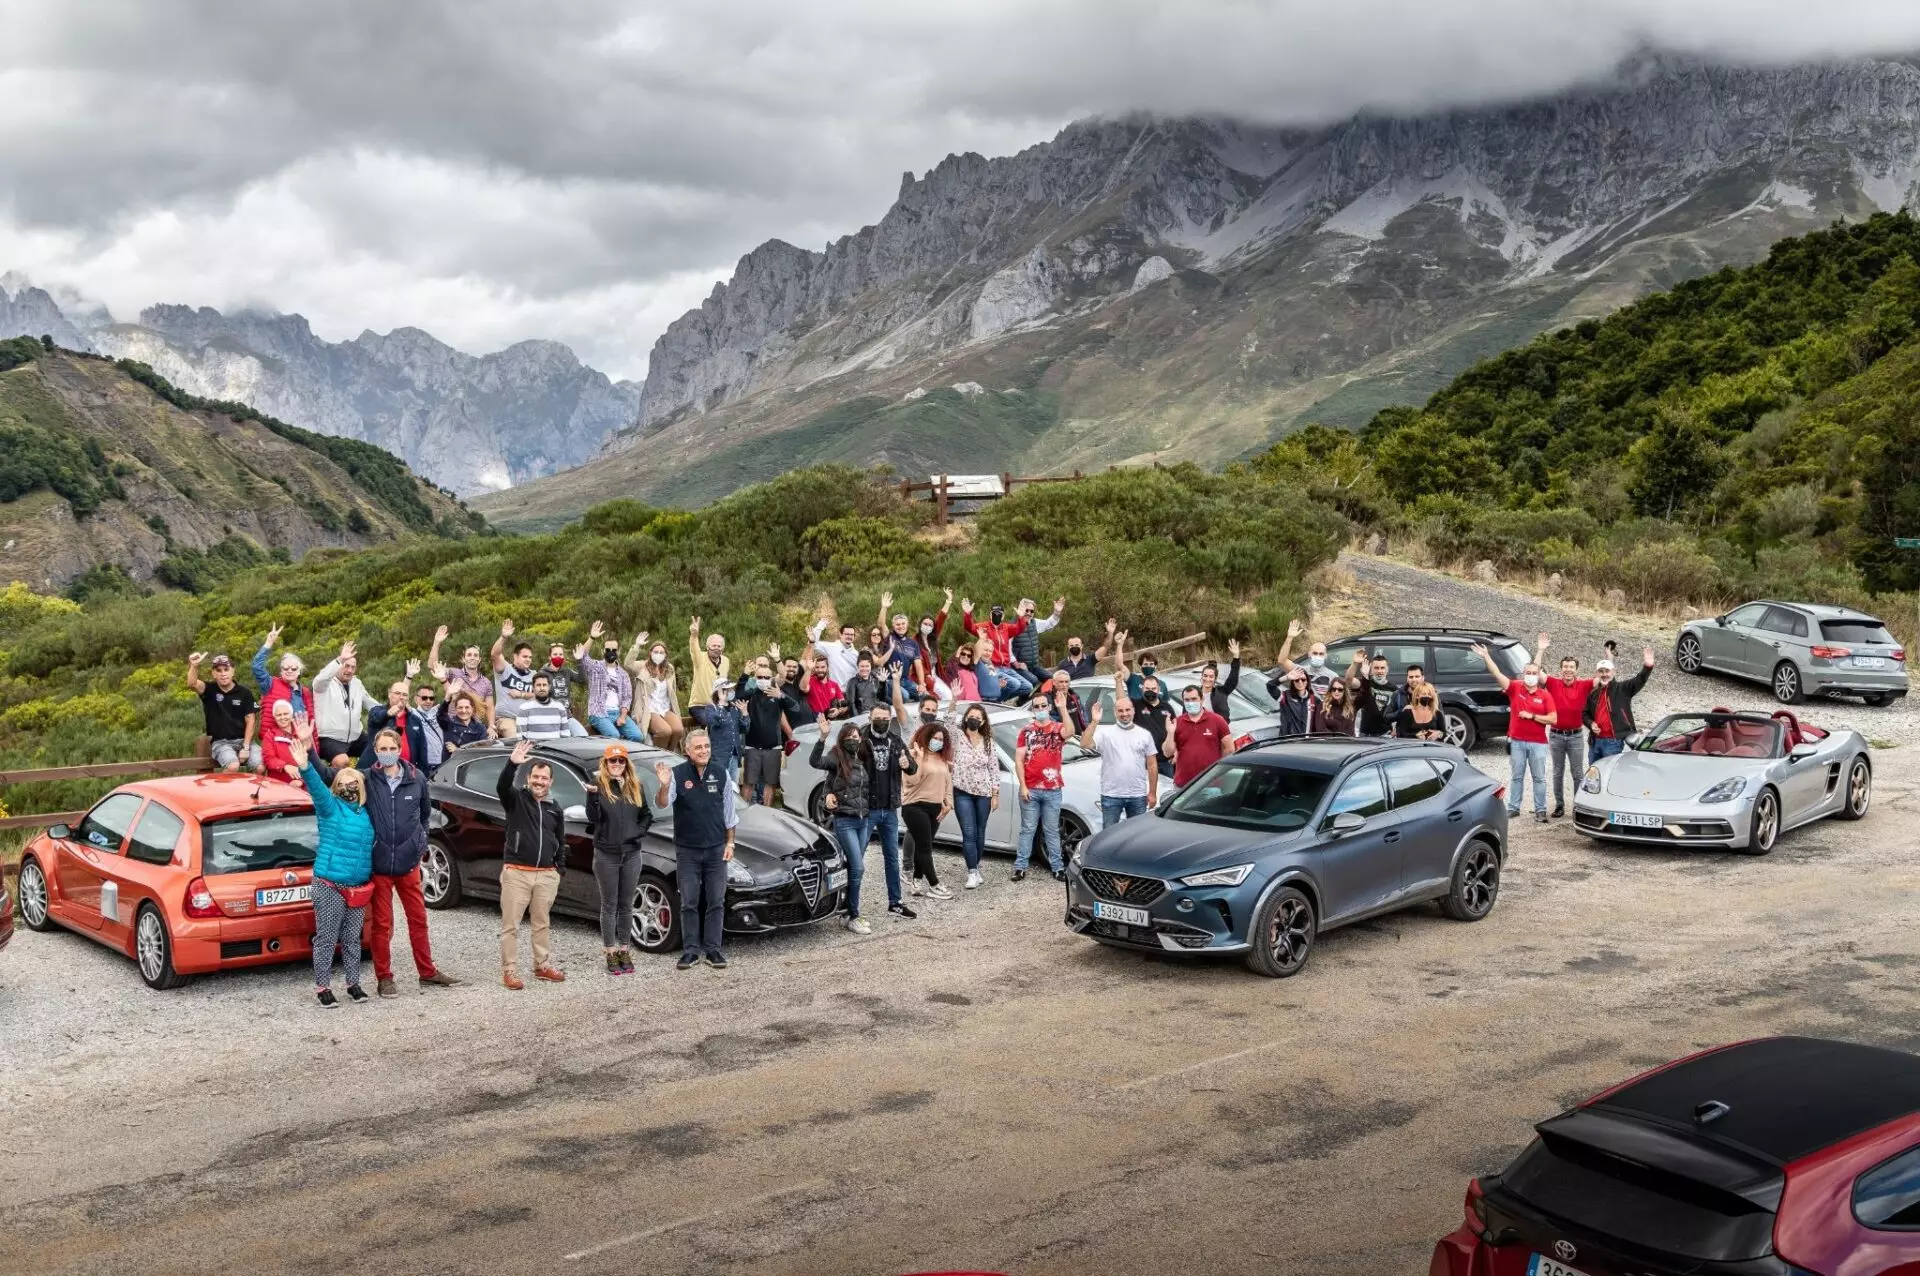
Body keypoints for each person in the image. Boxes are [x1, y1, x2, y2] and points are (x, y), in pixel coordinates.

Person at [349, 726, 456, 997]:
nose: (387, 754)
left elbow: (424, 815)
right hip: (380, 865)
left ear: (400, 749)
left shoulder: (416, 777)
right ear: (375, 751)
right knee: (382, 925)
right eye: (382, 749)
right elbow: (335, 782)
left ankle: (427, 972)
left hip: (408, 864)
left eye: (392, 748)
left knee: (418, 920)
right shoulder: (367, 778)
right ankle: (384, 977)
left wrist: (419, 844)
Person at [289, 721, 373, 1009]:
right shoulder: (330, 807)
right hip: (329, 884)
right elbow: (316, 788)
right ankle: (323, 986)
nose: (349, 788)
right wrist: (305, 765)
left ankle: (353, 983)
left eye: (354, 784)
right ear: (336, 788)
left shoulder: (365, 812)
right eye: (343, 785)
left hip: (358, 885)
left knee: (352, 939)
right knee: (327, 937)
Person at [654, 729, 737, 969]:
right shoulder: (677, 774)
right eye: (698, 747)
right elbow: (662, 803)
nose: (704, 751)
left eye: (707, 746)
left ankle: (713, 950)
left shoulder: (721, 774)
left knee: (716, 901)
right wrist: (663, 785)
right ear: (688, 751)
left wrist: (730, 842)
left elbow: (729, 816)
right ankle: (690, 951)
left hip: (716, 851)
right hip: (687, 851)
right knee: (689, 901)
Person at [494, 738, 568, 989]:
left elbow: (560, 839)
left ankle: (542, 965)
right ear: (529, 778)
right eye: (535, 777)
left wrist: (559, 868)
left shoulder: (554, 807)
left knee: (541, 923)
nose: (539, 781)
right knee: (511, 926)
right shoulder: (516, 799)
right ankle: (510, 971)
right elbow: (503, 786)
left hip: (546, 875)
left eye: (544, 778)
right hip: (517, 872)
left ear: (550, 781)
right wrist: (511, 764)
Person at [1472, 639, 1555, 823]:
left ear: (1538, 675)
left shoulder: (1545, 695)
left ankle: (1540, 810)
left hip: (1538, 743)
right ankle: (1513, 807)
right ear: (1523, 674)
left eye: (1534, 673)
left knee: (1539, 778)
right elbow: (1496, 673)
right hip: (1517, 741)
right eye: (1528, 673)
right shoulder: (1515, 688)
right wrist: (1486, 656)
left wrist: (1533, 717)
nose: (1531, 675)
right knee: (1516, 776)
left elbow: (1553, 719)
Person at [587, 743, 652, 976]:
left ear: (626, 764)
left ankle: (625, 948)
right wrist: (592, 798)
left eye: (621, 761)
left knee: (626, 905)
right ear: (605, 763)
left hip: (632, 853)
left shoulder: (636, 786)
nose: (616, 765)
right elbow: (593, 818)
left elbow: (646, 815)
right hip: (607, 854)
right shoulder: (597, 786)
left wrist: (638, 832)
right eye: (612, 761)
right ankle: (610, 951)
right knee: (609, 904)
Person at [859, 674, 919, 917]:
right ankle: (846, 905)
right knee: (857, 858)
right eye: (877, 719)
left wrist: (907, 764)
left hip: (890, 809)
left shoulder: (895, 741)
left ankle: (895, 902)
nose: (882, 722)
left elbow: (912, 767)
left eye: (885, 719)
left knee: (891, 859)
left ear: (890, 719)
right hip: (867, 808)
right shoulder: (860, 739)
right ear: (870, 718)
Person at [812, 721, 875, 932]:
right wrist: (822, 737)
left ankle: (845, 908)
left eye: (857, 736)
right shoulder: (836, 757)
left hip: (863, 820)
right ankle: (854, 915)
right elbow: (815, 762)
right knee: (858, 867)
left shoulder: (865, 758)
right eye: (849, 736)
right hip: (845, 820)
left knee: (852, 866)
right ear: (842, 739)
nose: (854, 740)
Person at [1079, 675, 1158, 828]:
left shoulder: (1144, 734)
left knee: (1137, 835)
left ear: (1133, 711)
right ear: (1115, 713)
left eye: (1128, 710)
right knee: (1109, 835)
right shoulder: (1105, 733)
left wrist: (1152, 793)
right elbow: (1084, 743)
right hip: (1111, 795)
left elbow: (1152, 765)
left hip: (1137, 795)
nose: (1124, 714)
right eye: (1120, 711)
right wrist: (1095, 721)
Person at [1013, 685, 1072, 881]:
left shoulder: (1056, 728)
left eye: (1043, 705)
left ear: (1049, 707)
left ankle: (1058, 867)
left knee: (1052, 830)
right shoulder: (1026, 731)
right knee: (1027, 829)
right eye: (1036, 706)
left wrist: (1063, 708)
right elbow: (1019, 760)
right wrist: (1022, 785)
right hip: (1031, 788)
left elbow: (1070, 732)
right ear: (1032, 709)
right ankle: (1020, 866)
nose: (1040, 709)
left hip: (1053, 788)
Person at [1540, 638, 1594, 818]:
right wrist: (1541, 650)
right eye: (1565, 666)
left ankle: (1579, 807)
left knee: (1578, 773)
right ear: (1561, 669)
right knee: (1557, 772)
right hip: (1556, 735)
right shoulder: (1553, 683)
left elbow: (1605, 677)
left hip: (1576, 736)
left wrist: (1609, 657)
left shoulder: (1584, 685)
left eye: (1571, 667)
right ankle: (1559, 805)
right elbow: (1535, 672)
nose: (1568, 670)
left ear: (1576, 670)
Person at [902, 720, 955, 900]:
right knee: (926, 848)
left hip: (935, 808)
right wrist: (916, 758)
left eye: (941, 739)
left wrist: (948, 804)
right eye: (935, 737)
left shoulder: (942, 759)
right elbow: (912, 781)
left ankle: (916, 881)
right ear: (926, 736)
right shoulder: (914, 753)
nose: (938, 741)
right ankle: (934, 885)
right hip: (915, 806)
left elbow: (947, 784)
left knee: (923, 846)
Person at [949, 703, 999, 891]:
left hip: (984, 793)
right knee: (968, 833)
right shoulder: (958, 737)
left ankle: (976, 868)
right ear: (966, 717)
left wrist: (995, 795)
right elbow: (948, 721)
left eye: (978, 717)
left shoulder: (988, 742)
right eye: (971, 716)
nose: (974, 720)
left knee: (980, 832)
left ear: (983, 721)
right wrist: (953, 699)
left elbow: (994, 769)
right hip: (962, 792)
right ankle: (971, 872)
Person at [187, 651, 258, 772]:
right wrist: (194, 665)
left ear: (233, 671)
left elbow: (251, 720)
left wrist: (246, 748)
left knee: (260, 766)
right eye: (219, 670)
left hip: (245, 741)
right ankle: (217, 790)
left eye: (226, 669)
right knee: (232, 766)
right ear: (213, 673)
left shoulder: (245, 693)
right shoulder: (209, 689)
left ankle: (251, 791)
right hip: (221, 743)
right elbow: (192, 683)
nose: (223, 673)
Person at [1584, 644, 1657, 760]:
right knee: (1593, 774)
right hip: (1594, 742)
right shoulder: (1593, 693)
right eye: (1601, 671)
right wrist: (1591, 724)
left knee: (1609, 774)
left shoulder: (1623, 689)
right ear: (1597, 673)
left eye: (1607, 671)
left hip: (1613, 742)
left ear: (1613, 672)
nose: (1604, 674)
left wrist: (1647, 667)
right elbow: (1585, 714)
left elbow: (1639, 680)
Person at [578, 621, 646, 741]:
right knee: (614, 735)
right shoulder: (595, 667)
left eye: (614, 650)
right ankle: (610, 758)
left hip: (617, 713)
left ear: (618, 652)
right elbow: (582, 655)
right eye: (608, 649)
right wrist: (592, 637)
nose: (611, 652)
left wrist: (623, 716)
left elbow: (627, 698)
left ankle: (624, 758)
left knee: (637, 736)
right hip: (598, 712)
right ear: (603, 651)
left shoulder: (623, 674)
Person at [739, 655, 791, 805]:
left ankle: (766, 814)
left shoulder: (773, 685)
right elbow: (738, 695)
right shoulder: (749, 687)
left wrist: (777, 659)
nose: (763, 678)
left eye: (765, 675)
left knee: (770, 783)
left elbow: (783, 675)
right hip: (751, 744)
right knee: (749, 782)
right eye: (759, 675)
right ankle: (745, 814)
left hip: (772, 745)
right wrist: (745, 674)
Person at [313, 640, 373, 768]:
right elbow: (319, 680)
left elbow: (371, 704)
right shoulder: (324, 685)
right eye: (346, 665)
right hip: (330, 738)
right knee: (342, 761)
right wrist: (340, 659)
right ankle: (337, 784)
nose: (350, 670)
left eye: (353, 667)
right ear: (339, 665)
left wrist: (392, 710)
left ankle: (359, 778)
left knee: (379, 747)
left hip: (355, 737)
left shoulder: (357, 683)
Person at [961, 598, 1034, 701]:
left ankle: (999, 699)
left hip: (1007, 668)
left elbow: (1020, 628)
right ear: (990, 615)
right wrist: (967, 614)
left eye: (999, 614)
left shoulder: (1006, 628)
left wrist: (1021, 617)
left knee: (1027, 687)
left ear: (1003, 616)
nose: (996, 616)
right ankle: (996, 701)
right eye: (994, 613)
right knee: (1015, 684)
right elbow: (970, 627)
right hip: (994, 667)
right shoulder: (984, 627)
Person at [624, 631, 684, 751]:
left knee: (678, 730)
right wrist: (637, 646)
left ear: (666, 654)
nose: (658, 654)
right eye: (656, 652)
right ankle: (657, 756)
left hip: (665, 707)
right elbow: (628, 664)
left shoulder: (669, 669)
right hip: (648, 709)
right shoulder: (642, 666)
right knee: (664, 731)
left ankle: (670, 754)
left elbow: (672, 691)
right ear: (650, 653)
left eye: (661, 652)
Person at [429, 625, 495, 731]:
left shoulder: (486, 682)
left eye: (475, 655)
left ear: (479, 659)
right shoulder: (453, 673)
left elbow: (490, 707)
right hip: (452, 725)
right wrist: (436, 643)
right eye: (469, 655)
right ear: (464, 659)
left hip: (474, 728)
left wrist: (491, 726)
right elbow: (433, 666)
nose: (472, 658)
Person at [1168, 685, 1233, 788]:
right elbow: (1168, 752)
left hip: (1211, 784)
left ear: (1202, 699)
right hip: (1183, 785)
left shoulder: (1217, 720)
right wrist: (1170, 733)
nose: (1190, 703)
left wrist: (1216, 770)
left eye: (1194, 699)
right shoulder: (1177, 722)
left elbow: (1229, 749)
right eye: (1187, 700)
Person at [252, 623, 312, 720]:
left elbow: (311, 716)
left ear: (299, 672)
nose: (289, 671)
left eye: (293, 668)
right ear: (281, 671)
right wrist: (268, 643)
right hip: (273, 735)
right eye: (286, 668)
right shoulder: (270, 684)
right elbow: (257, 667)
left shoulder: (305, 692)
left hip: (298, 734)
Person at [491, 620, 537, 738]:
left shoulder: (533, 674)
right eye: (525, 656)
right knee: (517, 739)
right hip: (506, 719)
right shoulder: (505, 669)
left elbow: (541, 694)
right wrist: (503, 637)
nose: (528, 659)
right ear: (515, 656)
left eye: (530, 657)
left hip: (527, 720)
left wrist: (521, 694)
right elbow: (494, 654)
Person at [1345, 647, 1405, 737]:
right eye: (1376, 668)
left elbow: (1399, 712)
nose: (1379, 671)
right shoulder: (1365, 682)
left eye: (1382, 668)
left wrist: (1396, 730)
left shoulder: (1394, 689)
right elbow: (1348, 681)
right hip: (1364, 733)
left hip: (1385, 734)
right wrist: (1355, 664)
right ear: (1371, 669)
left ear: (1387, 669)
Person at [1273, 618, 1339, 698]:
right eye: (1315, 653)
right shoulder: (1300, 670)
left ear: (1325, 656)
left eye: (1321, 654)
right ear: (1309, 654)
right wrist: (1289, 637)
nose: (1318, 656)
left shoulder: (1333, 676)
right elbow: (1282, 661)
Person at [876, 592, 924, 699]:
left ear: (907, 625)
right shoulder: (889, 637)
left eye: (903, 624)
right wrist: (884, 607)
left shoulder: (913, 644)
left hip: (906, 680)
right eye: (897, 624)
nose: (900, 626)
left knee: (923, 695)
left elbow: (918, 665)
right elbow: (881, 624)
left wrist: (921, 684)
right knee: (905, 696)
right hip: (890, 679)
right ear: (893, 626)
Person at [540, 640, 588, 737]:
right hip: (551, 718)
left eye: (561, 654)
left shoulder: (567, 672)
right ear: (549, 657)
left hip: (567, 717)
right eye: (555, 654)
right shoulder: (542, 674)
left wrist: (579, 661)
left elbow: (582, 680)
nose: (558, 657)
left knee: (583, 737)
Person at [703, 680, 747, 785]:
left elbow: (744, 729)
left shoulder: (734, 708)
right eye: (728, 689)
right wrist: (721, 704)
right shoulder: (711, 708)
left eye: (732, 689)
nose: (732, 691)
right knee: (718, 786)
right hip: (719, 757)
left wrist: (745, 714)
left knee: (734, 787)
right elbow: (715, 721)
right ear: (719, 691)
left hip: (735, 755)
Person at [688, 616, 729, 726]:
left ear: (723, 648)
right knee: (711, 723)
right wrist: (694, 635)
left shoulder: (726, 661)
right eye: (713, 645)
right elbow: (693, 648)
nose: (716, 648)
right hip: (700, 705)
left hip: (719, 704)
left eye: (719, 646)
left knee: (730, 723)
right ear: (707, 647)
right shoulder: (700, 658)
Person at [808, 612, 864, 689]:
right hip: (835, 691)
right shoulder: (832, 647)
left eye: (851, 635)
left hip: (852, 693)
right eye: (846, 634)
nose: (849, 636)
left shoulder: (856, 654)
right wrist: (821, 625)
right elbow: (814, 643)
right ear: (840, 635)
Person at [513, 672, 572, 741]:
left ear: (549, 687)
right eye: (538, 685)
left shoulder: (559, 707)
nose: (542, 688)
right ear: (533, 688)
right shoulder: (524, 708)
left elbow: (565, 734)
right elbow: (521, 737)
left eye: (544, 685)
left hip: (555, 750)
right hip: (534, 751)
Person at [408, 680, 449, 775]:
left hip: (442, 763)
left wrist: (444, 680)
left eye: (431, 698)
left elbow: (451, 697)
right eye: (424, 698)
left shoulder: (438, 711)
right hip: (422, 765)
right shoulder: (412, 713)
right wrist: (409, 677)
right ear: (416, 699)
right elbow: (401, 699)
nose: (428, 701)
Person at [259, 699, 304, 784]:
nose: (282, 717)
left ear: (291, 715)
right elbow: (268, 759)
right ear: (274, 717)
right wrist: (284, 766)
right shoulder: (270, 735)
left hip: (303, 783)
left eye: (285, 714)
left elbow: (311, 760)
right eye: (279, 715)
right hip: (278, 784)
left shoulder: (301, 733)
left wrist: (301, 781)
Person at [1268, 664, 1317, 737]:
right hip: (1288, 742)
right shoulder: (1285, 696)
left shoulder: (1314, 699)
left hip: (1307, 742)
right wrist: (1286, 677)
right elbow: (1270, 686)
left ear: (1307, 681)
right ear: (1293, 682)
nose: (1300, 682)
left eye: (1303, 680)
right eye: (1296, 680)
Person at [1199, 639, 1243, 718]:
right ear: (1201, 676)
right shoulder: (1194, 694)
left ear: (1215, 679)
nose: (1207, 679)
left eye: (1211, 677)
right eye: (1205, 676)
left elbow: (1232, 679)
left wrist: (1236, 657)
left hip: (1220, 729)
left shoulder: (1222, 692)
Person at [439, 689, 492, 753]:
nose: (463, 711)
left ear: (472, 709)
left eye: (467, 707)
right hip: (452, 762)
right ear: (455, 709)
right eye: (460, 707)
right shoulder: (448, 723)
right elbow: (440, 715)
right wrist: (447, 697)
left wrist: (458, 750)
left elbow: (481, 751)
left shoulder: (480, 728)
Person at [799, 653, 843, 722]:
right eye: (817, 667)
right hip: (814, 721)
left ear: (827, 668)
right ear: (814, 668)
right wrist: (809, 669)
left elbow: (843, 704)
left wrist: (838, 711)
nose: (820, 670)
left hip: (831, 721)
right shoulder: (810, 680)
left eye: (823, 667)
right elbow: (803, 688)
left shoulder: (834, 684)